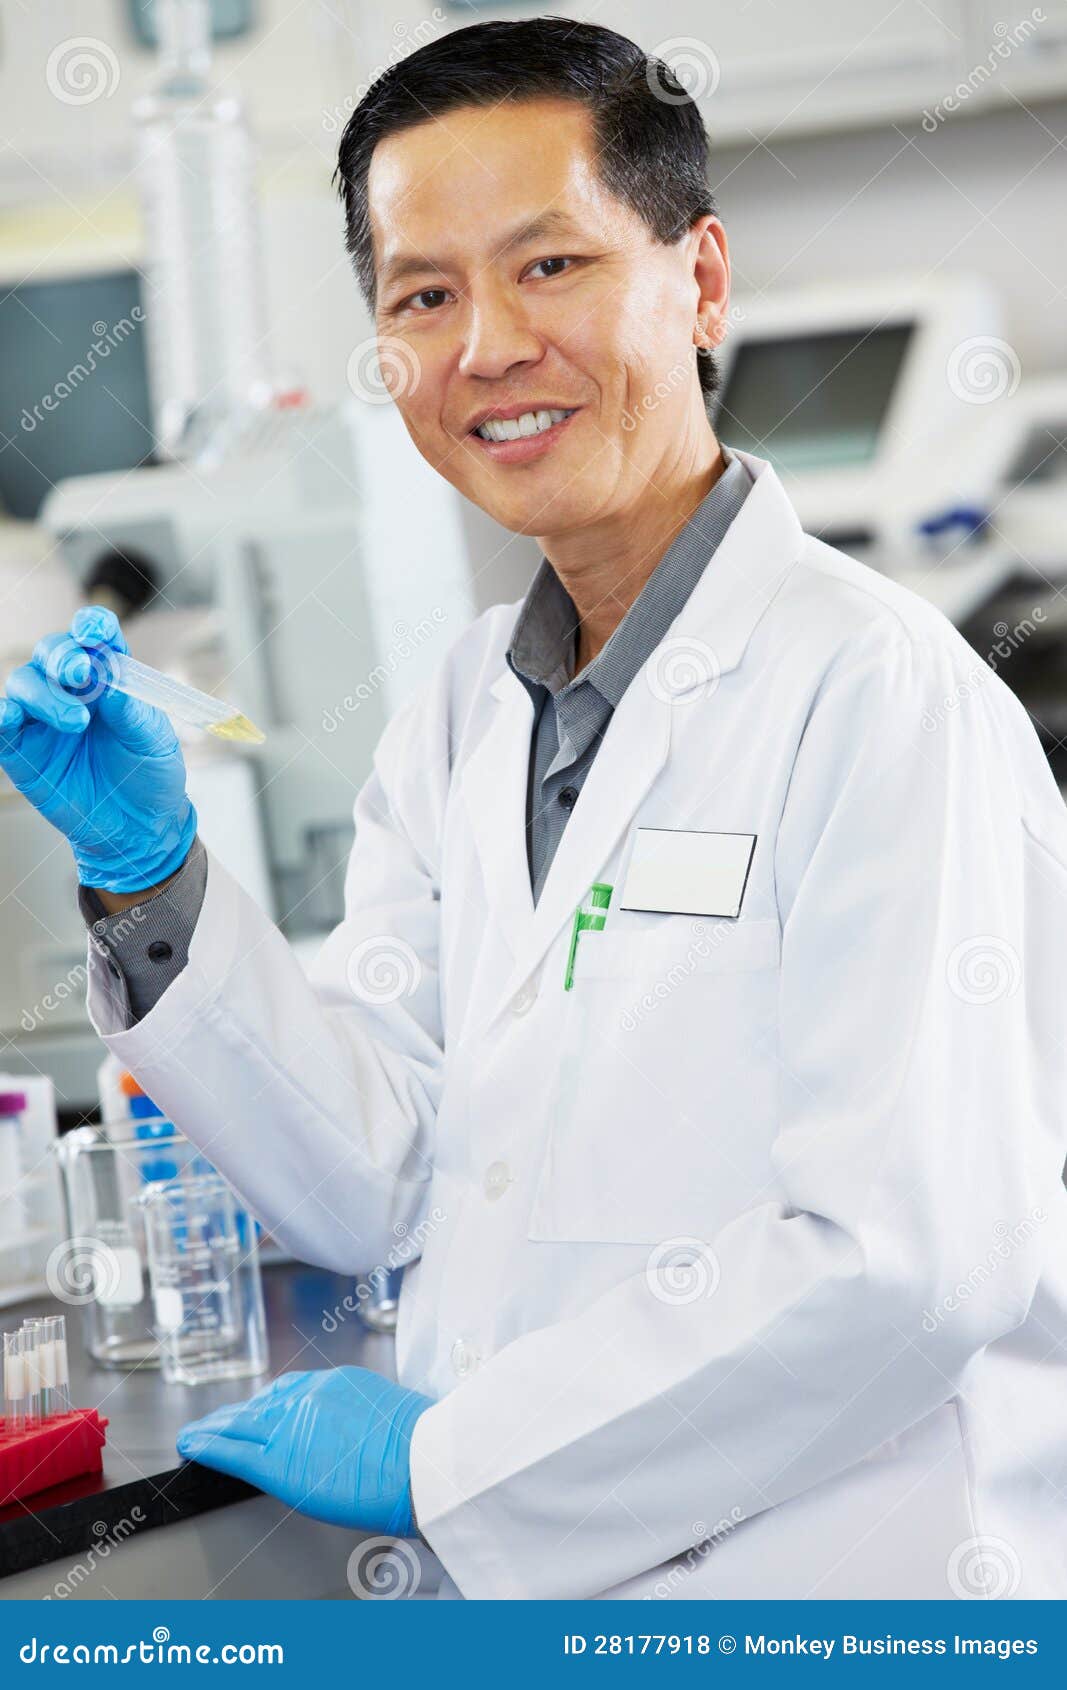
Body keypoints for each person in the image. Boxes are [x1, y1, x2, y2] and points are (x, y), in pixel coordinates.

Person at [3, 17, 1067, 1601]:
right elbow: (375, 1170)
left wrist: (452, 1455)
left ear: (701, 280)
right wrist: (152, 881)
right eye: (423, 295)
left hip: (846, 1591)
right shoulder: (457, 715)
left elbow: (901, 1263)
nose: (487, 344)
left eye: (550, 266)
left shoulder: (880, 695)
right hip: (542, 1596)